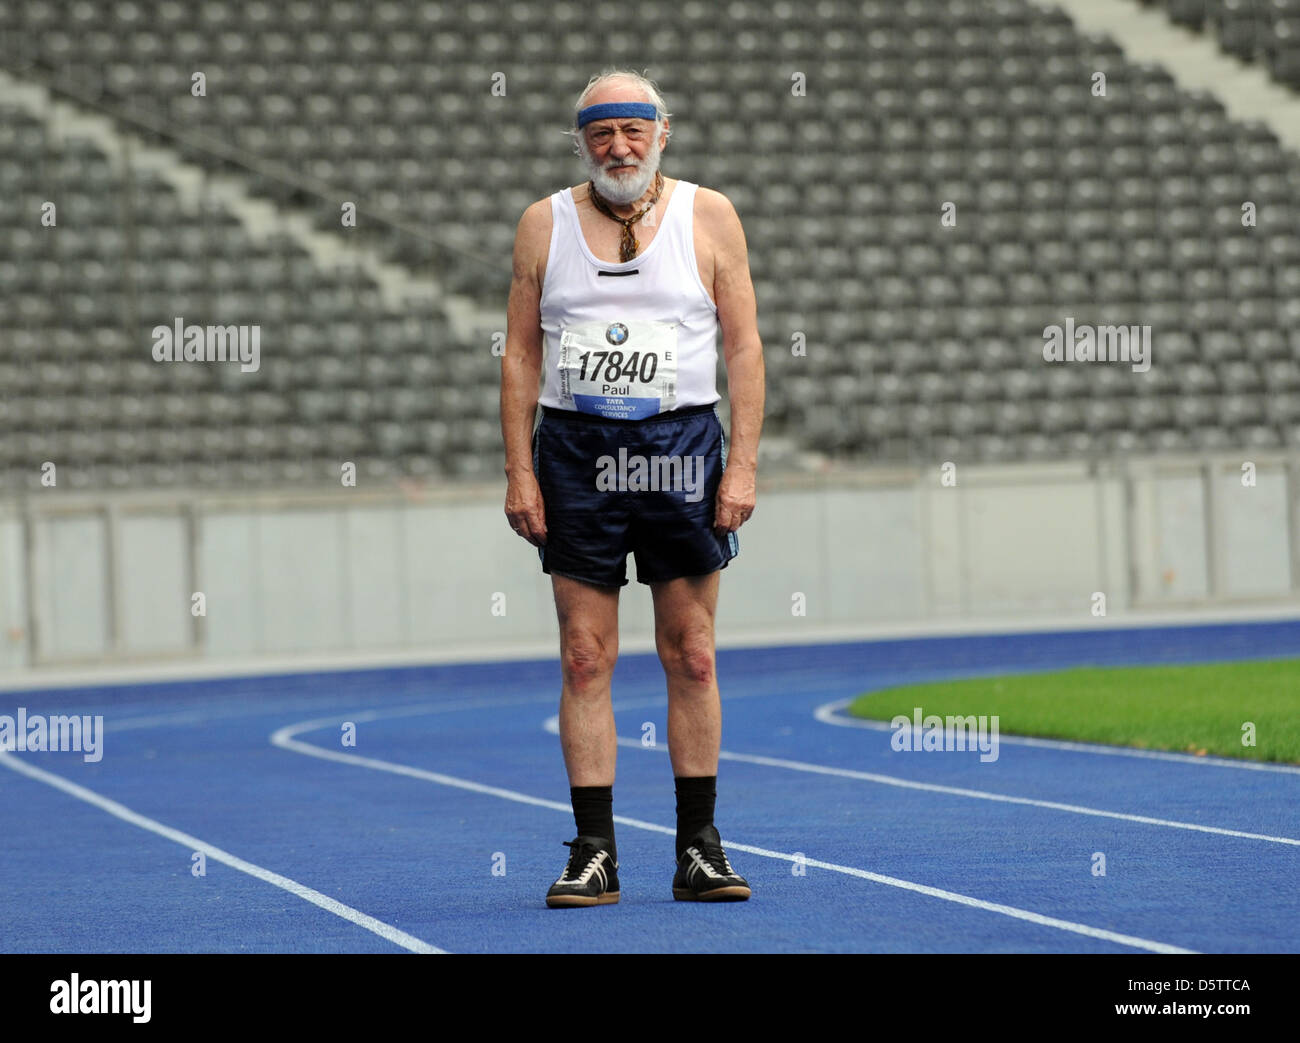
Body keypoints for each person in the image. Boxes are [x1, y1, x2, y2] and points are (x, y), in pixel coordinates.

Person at [500, 69, 765, 907]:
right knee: (585, 658)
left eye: (633, 129)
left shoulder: (709, 214)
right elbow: (517, 355)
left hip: (681, 446)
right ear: (581, 141)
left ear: (663, 131)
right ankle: (594, 851)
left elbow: (747, 347)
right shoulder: (544, 223)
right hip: (577, 452)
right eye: (601, 132)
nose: (619, 146)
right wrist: (518, 469)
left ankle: (700, 847)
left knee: (691, 651)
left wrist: (745, 463)